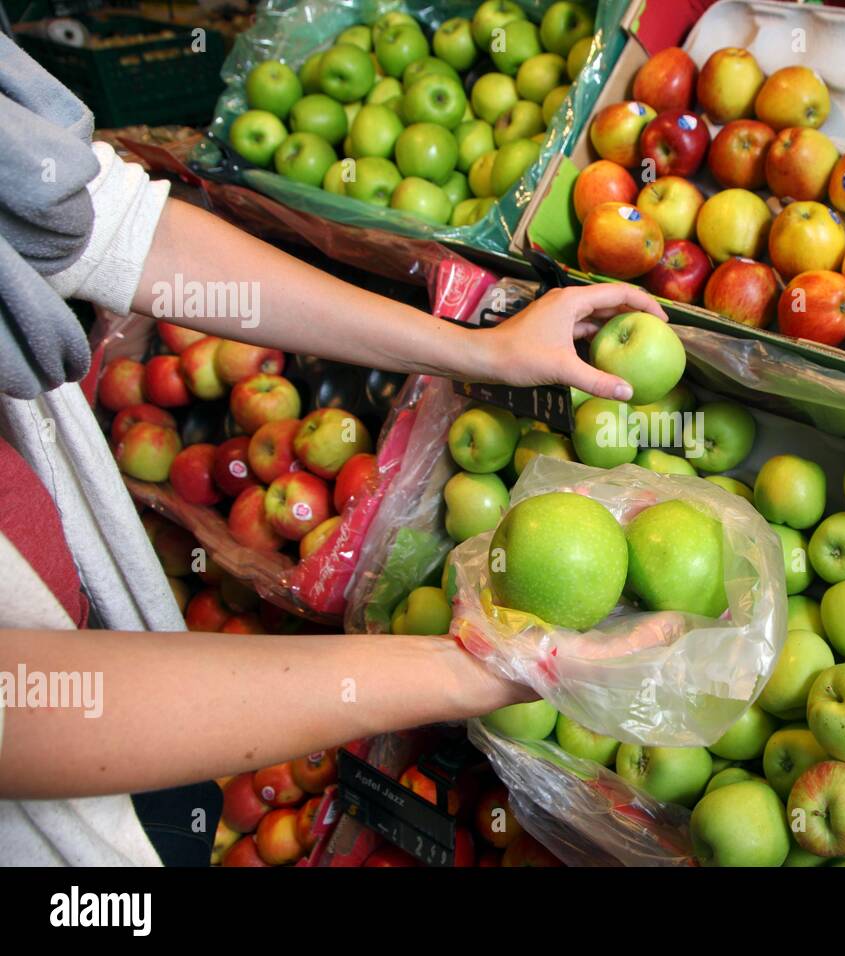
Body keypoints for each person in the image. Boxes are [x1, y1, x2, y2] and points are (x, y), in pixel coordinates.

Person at [0, 34, 668, 865]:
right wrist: (473, 673)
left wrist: (476, 351)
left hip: (103, 634)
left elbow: (113, 229)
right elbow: (18, 709)